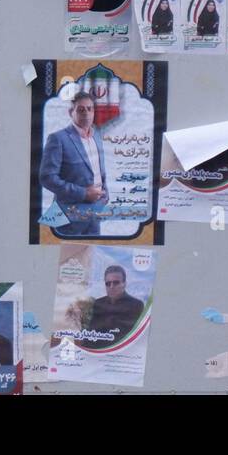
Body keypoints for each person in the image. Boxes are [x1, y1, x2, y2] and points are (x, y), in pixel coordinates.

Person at [39, 91, 108, 236]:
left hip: (94, 215)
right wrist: (83, 193)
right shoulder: (58, 139)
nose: (86, 113)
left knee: (93, 257)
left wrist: (104, 197)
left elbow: (99, 172)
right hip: (68, 218)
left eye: (90, 109)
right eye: (81, 109)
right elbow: (47, 178)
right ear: (71, 112)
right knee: (64, 258)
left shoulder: (97, 136)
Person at [83, 265, 145, 347]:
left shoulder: (136, 305)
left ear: (124, 283)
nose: (111, 287)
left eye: (116, 283)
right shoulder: (97, 303)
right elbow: (91, 334)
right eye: (108, 283)